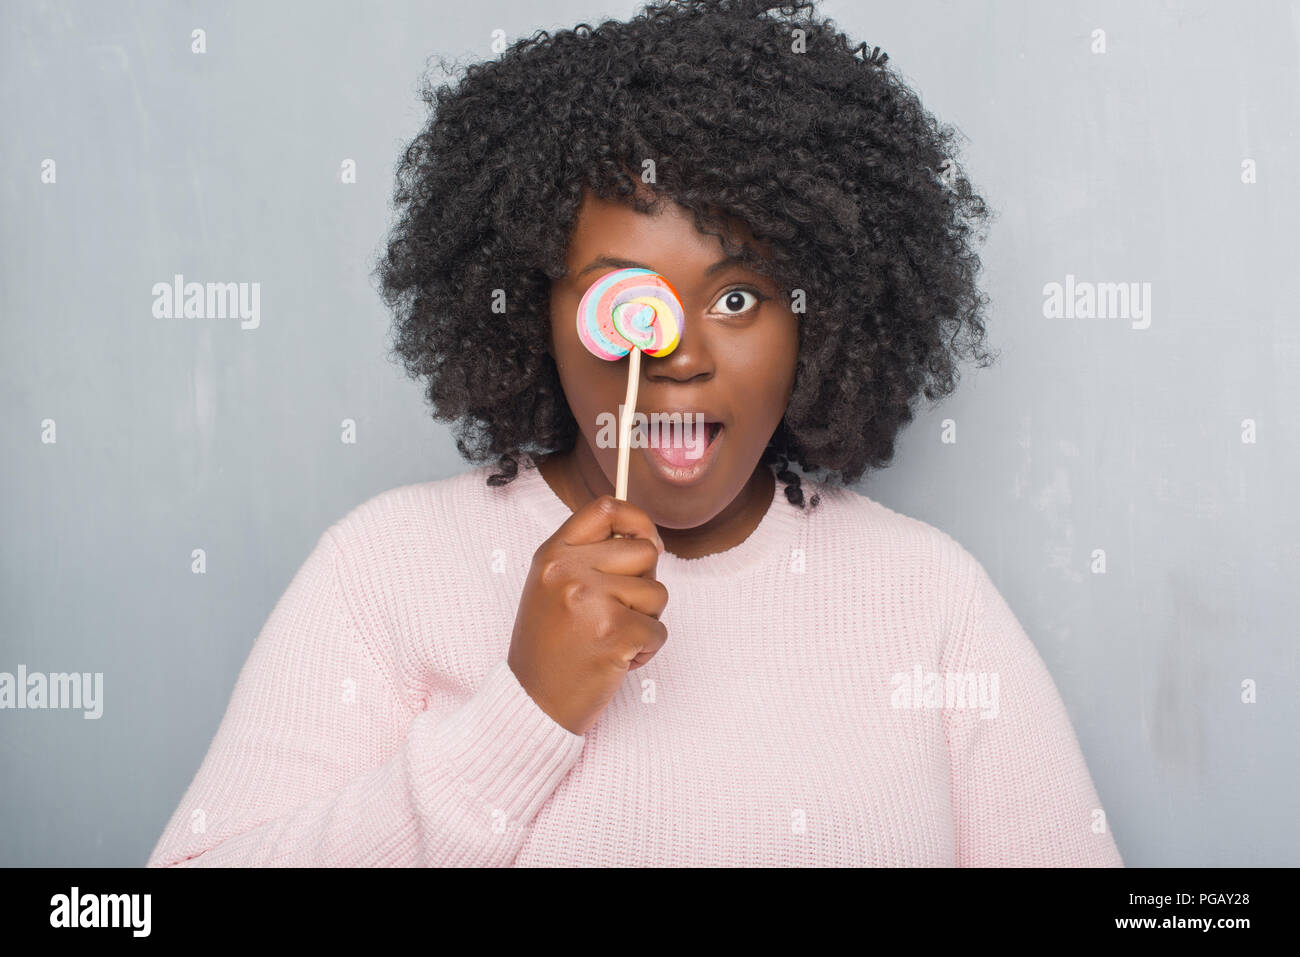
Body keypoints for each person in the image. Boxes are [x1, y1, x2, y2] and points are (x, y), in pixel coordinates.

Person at [147, 0, 1122, 867]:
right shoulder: (382, 573)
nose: (680, 353)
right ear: (533, 307)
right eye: (627, 299)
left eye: (737, 296)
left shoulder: (931, 600)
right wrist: (523, 715)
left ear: (817, 323)